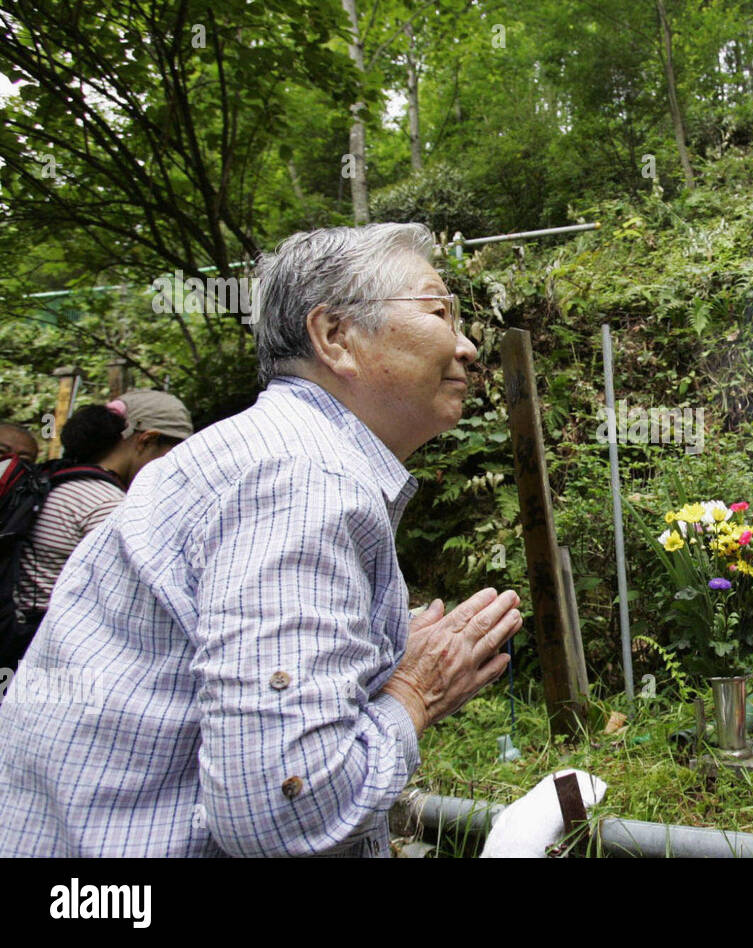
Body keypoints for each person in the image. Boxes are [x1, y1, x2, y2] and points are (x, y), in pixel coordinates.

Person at [0, 223, 522, 856]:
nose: (466, 346)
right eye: (439, 312)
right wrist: (413, 692)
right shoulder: (300, 479)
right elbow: (284, 807)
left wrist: (367, 663)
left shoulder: (256, 452)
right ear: (336, 337)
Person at [3, 394, 193, 667]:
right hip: (56, 650)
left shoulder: (59, 480)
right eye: (171, 454)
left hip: (24, 638)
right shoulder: (105, 503)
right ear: (147, 440)